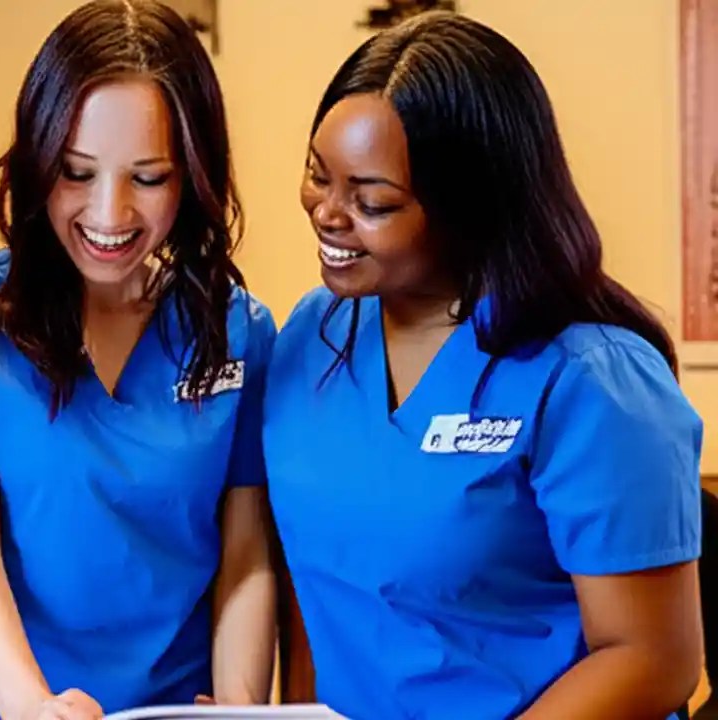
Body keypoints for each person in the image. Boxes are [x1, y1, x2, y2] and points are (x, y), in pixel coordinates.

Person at [264, 10, 703, 720]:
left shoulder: (589, 380)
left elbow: (653, 658)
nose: (327, 213)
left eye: (373, 200)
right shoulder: (311, 337)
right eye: (318, 176)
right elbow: (318, 595)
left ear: (471, 204)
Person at [0, 1, 276, 717]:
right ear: (36, 161)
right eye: (76, 173)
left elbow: (245, 558)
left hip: (173, 709)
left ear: (193, 176)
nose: (110, 214)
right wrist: (30, 704)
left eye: (148, 178)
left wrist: (238, 705)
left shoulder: (238, 331)